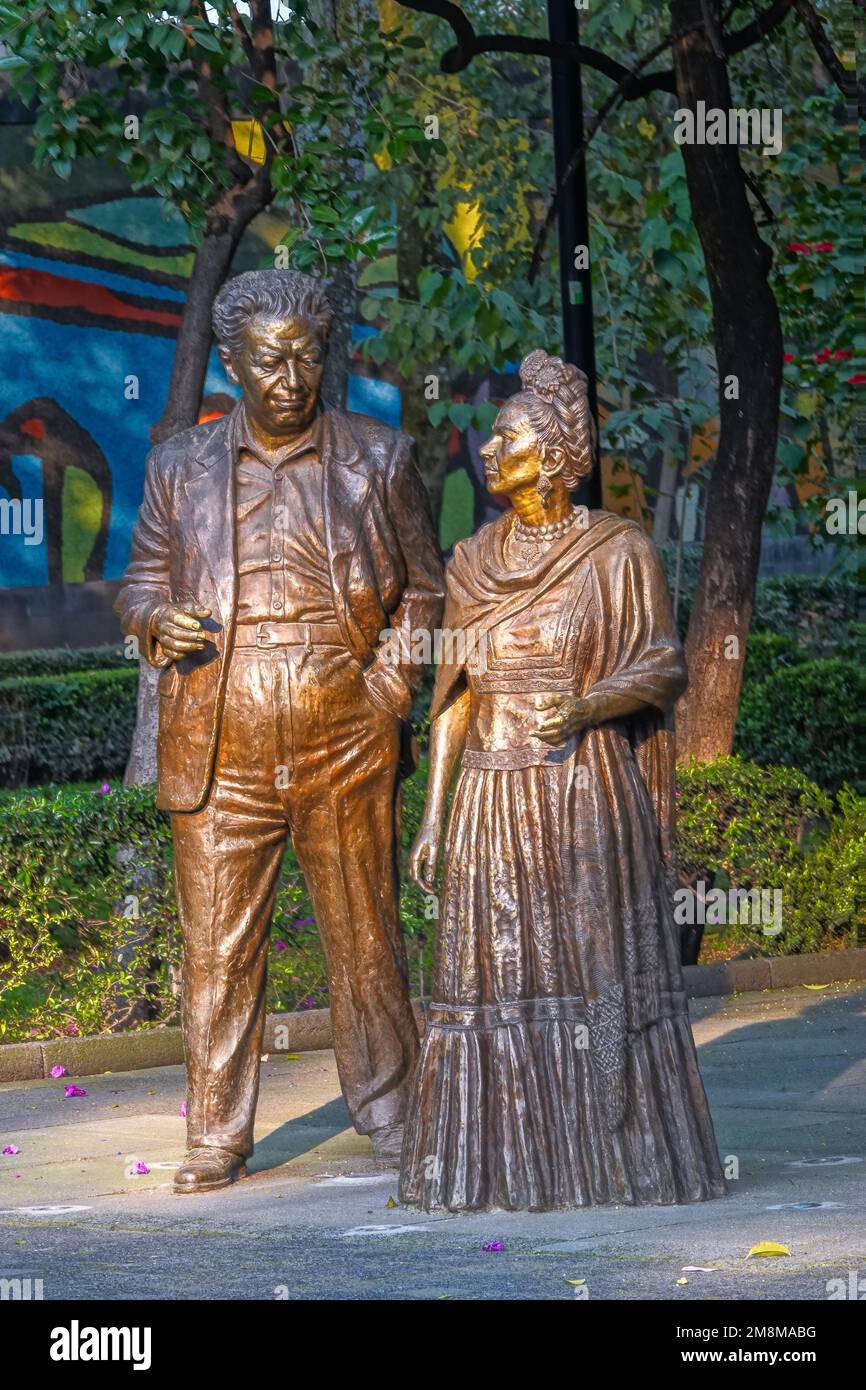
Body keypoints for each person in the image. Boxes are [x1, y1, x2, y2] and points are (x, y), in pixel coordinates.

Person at [115, 269, 444, 1191]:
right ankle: (216, 1133)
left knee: (365, 929)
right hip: (218, 734)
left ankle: (392, 1108)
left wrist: (388, 690)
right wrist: (153, 621)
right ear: (232, 363)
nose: (291, 379)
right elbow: (140, 581)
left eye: (307, 357)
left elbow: (424, 587)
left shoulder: (379, 459)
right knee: (215, 943)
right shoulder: (179, 464)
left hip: (344, 724)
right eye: (270, 361)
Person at [400, 349, 725, 1211]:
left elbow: (662, 667)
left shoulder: (617, 552)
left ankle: (615, 1158)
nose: (489, 451)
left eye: (506, 438)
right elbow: (451, 700)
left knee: (595, 972)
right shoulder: (470, 562)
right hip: (489, 795)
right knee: (492, 982)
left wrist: (587, 707)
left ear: (551, 454)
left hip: (583, 786)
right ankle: (502, 1162)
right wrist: (433, 817)